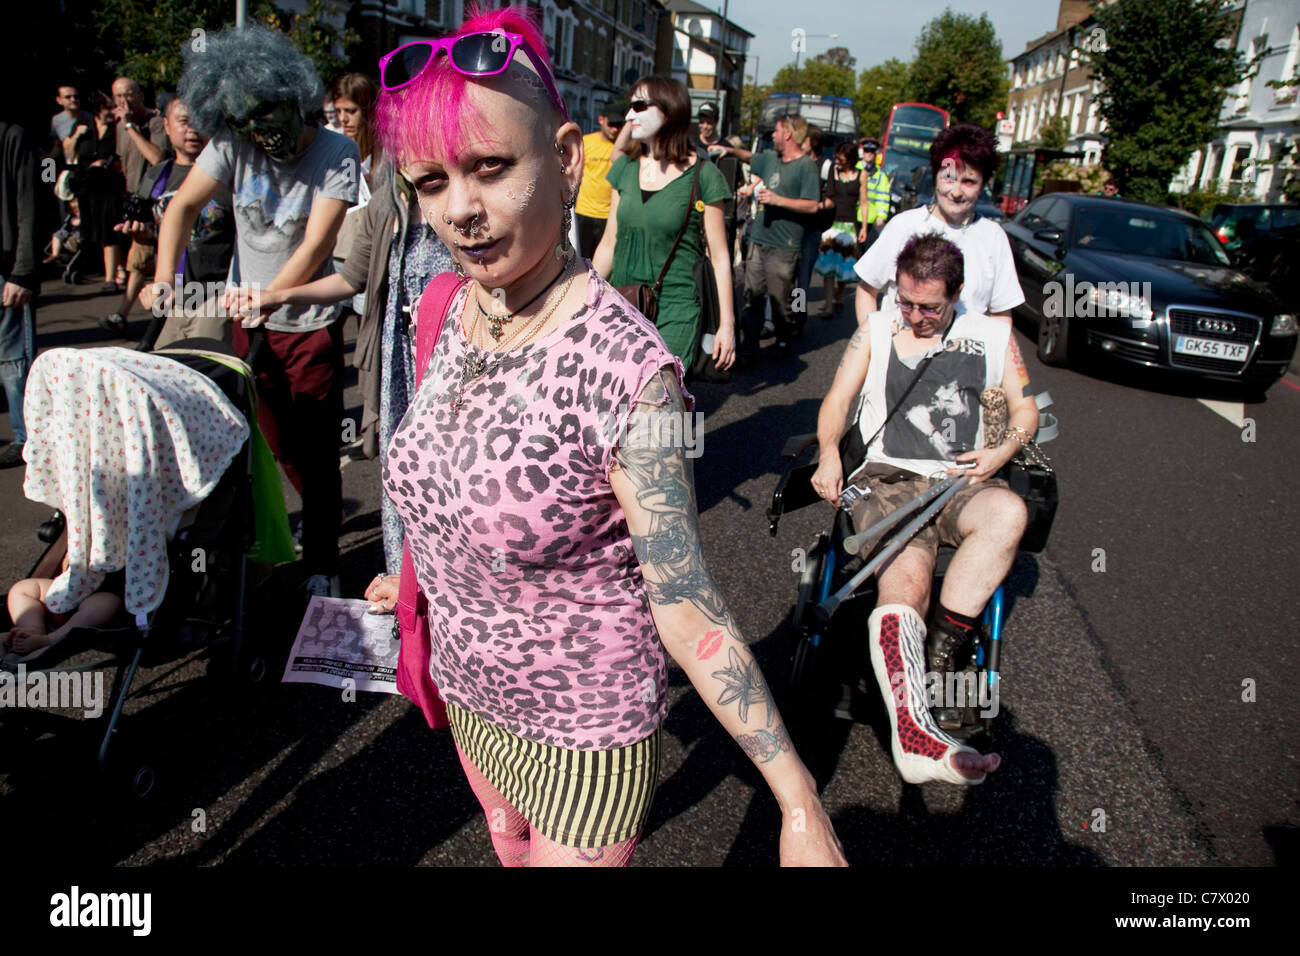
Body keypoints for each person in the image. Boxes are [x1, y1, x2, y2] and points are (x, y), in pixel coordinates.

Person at [372, 5, 844, 867]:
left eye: (490, 167)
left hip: (586, 732)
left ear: (563, 158)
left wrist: (796, 798)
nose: (461, 211)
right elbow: (434, 464)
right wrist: (410, 564)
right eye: (432, 182)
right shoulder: (443, 308)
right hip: (470, 701)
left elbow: (686, 601)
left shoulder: (629, 378)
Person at [810, 233, 1036, 786]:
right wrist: (829, 453)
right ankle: (915, 735)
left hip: (960, 478)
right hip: (886, 481)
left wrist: (1001, 448)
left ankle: (936, 656)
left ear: (957, 294)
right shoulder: (878, 329)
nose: (914, 315)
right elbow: (837, 399)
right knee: (906, 584)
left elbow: (1026, 409)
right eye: (905, 301)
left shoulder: (993, 335)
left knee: (1009, 512)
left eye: (929, 306)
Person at [145, 25, 360, 599]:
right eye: (249, 128)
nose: (265, 139)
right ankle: (299, 527)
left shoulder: (337, 152)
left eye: (272, 122)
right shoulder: (231, 144)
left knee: (315, 449)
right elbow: (182, 206)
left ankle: (322, 559)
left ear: (295, 99)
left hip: (308, 324)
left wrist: (272, 295)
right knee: (270, 441)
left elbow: (317, 244)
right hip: (250, 323)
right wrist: (166, 278)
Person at [236, 170, 452, 563]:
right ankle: (406, 587)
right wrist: (276, 296)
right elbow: (351, 278)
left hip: (458, 358)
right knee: (405, 472)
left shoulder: (464, 199)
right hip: (400, 362)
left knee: (454, 473)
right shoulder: (386, 203)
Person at [594, 75, 735, 371]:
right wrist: (585, 301)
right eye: (630, 106)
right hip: (624, 302)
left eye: (640, 106)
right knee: (625, 403)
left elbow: (720, 257)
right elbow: (609, 242)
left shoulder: (704, 176)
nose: (630, 115)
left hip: (677, 307)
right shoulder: (624, 169)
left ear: (671, 111)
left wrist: (727, 324)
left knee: (663, 403)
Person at [854, 122, 1023, 327]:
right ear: (935, 176)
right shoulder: (904, 225)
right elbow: (866, 291)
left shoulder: (993, 237)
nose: (956, 191)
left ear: (983, 184)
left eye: (969, 181)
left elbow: (1001, 314)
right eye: (949, 178)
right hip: (898, 355)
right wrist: (872, 346)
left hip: (964, 358)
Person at [127, 98, 236, 349]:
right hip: (173, 298)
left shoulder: (225, 175)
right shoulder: (157, 175)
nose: (193, 130)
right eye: (184, 122)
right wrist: (139, 234)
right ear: (166, 125)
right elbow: (148, 229)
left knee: (207, 365)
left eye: (200, 122)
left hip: (218, 294)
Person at [735, 113, 821, 362]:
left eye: (775, 130)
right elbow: (749, 157)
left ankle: (785, 336)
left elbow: (813, 205)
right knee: (752, 296)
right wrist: (725, 149)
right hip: (760, 239)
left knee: (782, 299)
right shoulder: (771, 158)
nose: (772, 135)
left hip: (787, 244)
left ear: (788, 134)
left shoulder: (806, 166)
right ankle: (748, 348)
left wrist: (777, 200)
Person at [1, 120, 51, 469]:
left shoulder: (13, 135)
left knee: (13, 360)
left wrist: (23, 270)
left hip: (7, 269)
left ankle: (27, 438)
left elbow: (30, 204)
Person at [112, 77, 170, 331]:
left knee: (148, 260)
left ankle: (127, 315)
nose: (124, 102)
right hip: (135, 200)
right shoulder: (120, 127)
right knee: (141, 260)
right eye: (118, 97)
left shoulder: (156, 123)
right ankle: (128, 315)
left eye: (129, 95)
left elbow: (157, 157)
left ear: (141, 95)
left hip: (158, 201)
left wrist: (131, 128)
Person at [65, 91, 129, 298]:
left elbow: (123, 154)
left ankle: (110, 278)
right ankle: (120, 268)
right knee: (96, 231)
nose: (112, 111)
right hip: (88, 186)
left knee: (108, 231)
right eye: (107, 107)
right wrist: (76, 136)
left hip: (110, 186)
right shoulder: (83, 127)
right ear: (96, 110)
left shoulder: (117, 128)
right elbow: (66, 153)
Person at [3, 558, 124, 664]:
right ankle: (33, 628)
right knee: (23, 588)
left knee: (104, 605)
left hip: (104, 593)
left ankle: (50, 640)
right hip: (68, 588)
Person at [814, 140, 862, 318]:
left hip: (849, 226)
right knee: (827, 268)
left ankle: (839, 295)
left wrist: (863, 226)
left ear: (850, 159)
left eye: (841, 160)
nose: (837, 162)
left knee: (843, 269)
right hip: (831, 225)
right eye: (836, 159)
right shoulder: (832, 172)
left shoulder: (860, 175)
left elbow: (863, 202)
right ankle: (828, 306)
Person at [572, 98, 626, 258]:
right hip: (585, 212)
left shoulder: (623, 147)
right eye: (611, 124)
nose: (615, 130)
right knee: (583, 260)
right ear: (601, 120)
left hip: (609, 215)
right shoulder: (586, 142)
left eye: (619, 125)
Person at [330, 73, 385, 201]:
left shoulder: (388, 148)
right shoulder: (338, 148)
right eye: (339, 111)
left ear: (367, 109)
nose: (343, 119)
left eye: (351, 111)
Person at [794, 124, 830, 319]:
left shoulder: (825, 166)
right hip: (793, 229)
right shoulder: (798, 162)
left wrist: (814, 205)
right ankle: (782, 315)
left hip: (811, 230)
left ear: (813, 142)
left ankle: (798, 315)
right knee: (787, 276)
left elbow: (832, 198)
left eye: (804, 139)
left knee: (802, 276)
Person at [857, 137, 890, 249]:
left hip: (870, 218)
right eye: (866, 150)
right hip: (854, 215)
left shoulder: (880, 174)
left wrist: (881, 215)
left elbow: (883, 196)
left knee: (867, 250)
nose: (869, 154)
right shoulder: (856, 168)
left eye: (872, 151)